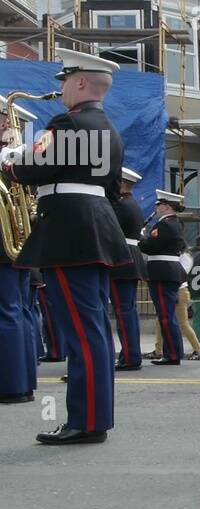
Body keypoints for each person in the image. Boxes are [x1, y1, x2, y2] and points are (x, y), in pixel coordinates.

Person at [1, 49, 131, 443]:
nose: (59, 88)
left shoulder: (68, 123)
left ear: (79, 82)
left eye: (63, 81)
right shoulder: (107, 128)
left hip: (70, 229)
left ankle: (86, 421)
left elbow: (30, 168)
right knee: (90, 328)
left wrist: (8, 154)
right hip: (91, 224)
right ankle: (92, 418)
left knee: (81, 329)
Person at [0, 98, 40, 405]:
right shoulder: (20, 157)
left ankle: (12, 385)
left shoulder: (8, 158)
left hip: (5, 245)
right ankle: (24, 381)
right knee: (20, 311)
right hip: (19, 246)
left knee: (8, 313)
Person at [140, 190, 189, 365]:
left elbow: (150, 247)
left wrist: (139, 237)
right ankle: (173, 352)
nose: (156, 208)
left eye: (159, 205)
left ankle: (173, 354)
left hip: (162, 271)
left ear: (167, 206)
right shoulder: (175, 223)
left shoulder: (164, 225)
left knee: (166, 315)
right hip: (168, 270)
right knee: (166, 315)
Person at [110, 167, 147, 370]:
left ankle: (130, 356)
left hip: (121, 260)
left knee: (123, 311)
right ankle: (130, 354)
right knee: (128, 310)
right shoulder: (131, 204)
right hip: (130, 259)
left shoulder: (120, 205)